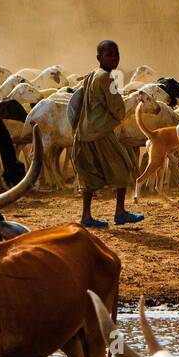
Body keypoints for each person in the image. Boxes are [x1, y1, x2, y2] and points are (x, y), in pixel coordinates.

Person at [72, 40, 143, 227]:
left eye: (116, 55)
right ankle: (120, 213)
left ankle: (86, 216)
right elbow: (118, 109)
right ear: (99, 57)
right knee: (123, 166)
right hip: (101, 132)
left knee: (88, 174)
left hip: (84, 132)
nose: (115, 59)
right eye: (110, 55)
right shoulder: (108, 78)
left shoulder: (91, 75)